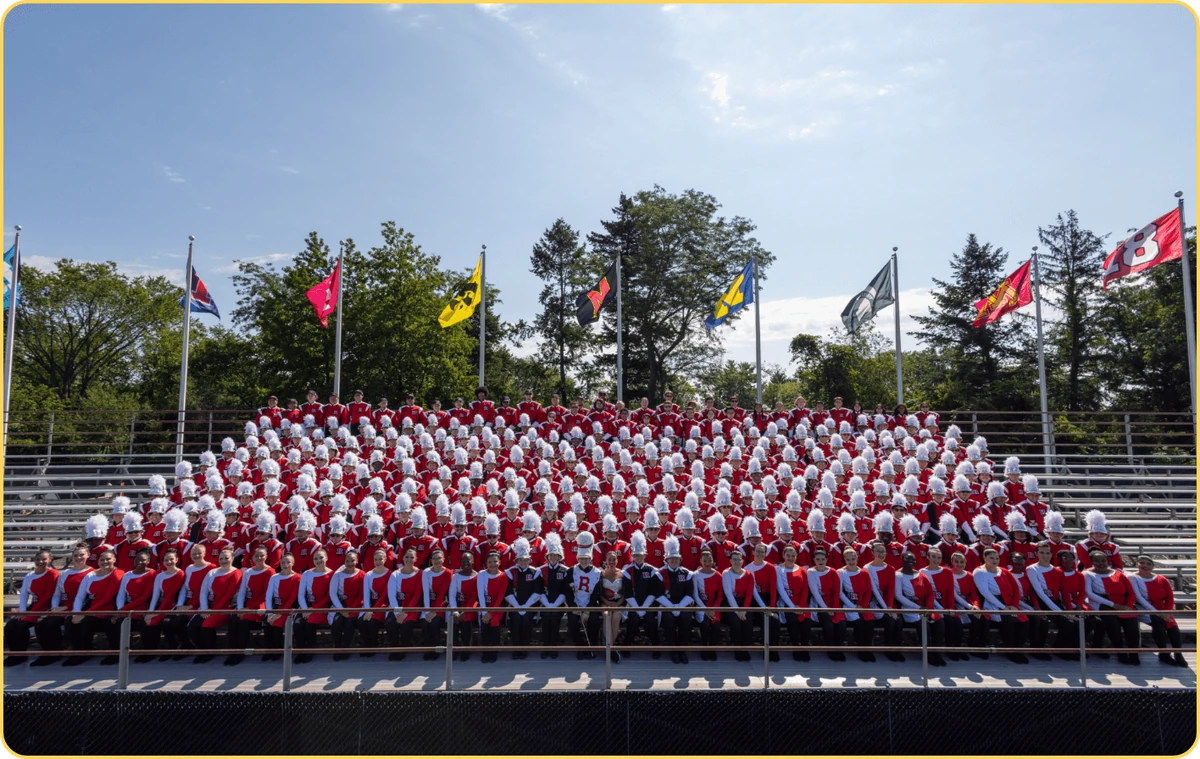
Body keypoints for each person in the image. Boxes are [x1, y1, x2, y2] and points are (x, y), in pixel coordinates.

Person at [1130, 555, 1188, 668]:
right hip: (1143, 606)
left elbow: (1170, 598)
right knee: (1158, 624)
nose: (1145, 566)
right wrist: (1158, 612)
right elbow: (1138, 597)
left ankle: (1178, 653)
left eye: (1148, 564)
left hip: (1162, 608)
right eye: (1142, 563)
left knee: (1173, 629)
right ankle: (1164, 653)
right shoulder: (1133, 577)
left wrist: (1167, 612)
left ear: (1152, 566)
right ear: (1137, 564)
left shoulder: (1161, 579)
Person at [972, 547, 1027, 664]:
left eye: (997, 558)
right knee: (1009, 621)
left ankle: (1018, 649)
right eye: (991, 558)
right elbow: (985, 593)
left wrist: (1014, 606)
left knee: (1025, 622)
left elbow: (1016, 589)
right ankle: (1009, 650)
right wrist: (1003, 608)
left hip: (1009, 604)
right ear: (984, 558)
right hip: (991, 604)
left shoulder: (1004, 571)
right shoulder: (979, 571)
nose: (995, 560)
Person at [5, 550, 60, 667]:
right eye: (38, 559)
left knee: (22, 625)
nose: (41, 562)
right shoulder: (30, 575)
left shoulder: (52, 573)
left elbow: (48, 595)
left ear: (50, 560)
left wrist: (30, 613)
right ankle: (15, 654)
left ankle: (29, 654)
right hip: (34, 606)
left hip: (46, 606)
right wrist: (23, 611)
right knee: (10, 625)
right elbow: (24, 594)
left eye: (44, 559)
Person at [70, 549, 125, 666]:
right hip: (94, 609)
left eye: (108, 559)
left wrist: (84, 614)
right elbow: (80, 596)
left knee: (109, 624)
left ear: (114, 560)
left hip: (111, 608)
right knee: (71, 622)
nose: (105, 561)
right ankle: (82, 652)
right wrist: (76, 613)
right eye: (102, 559)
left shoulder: (118, 573)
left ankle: (115, 653)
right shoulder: (91, 575)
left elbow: (108, 597)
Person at [1084, 550, 1140, 665]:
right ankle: (1121, 652)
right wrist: (1114, 605)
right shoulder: (1088, 574)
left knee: (1132, 627)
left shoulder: (1118, 574)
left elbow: (1131, 592)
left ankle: (1134, 653)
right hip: (1103, 603)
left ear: (1107, 561)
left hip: (1124, 604)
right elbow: (1089, 593)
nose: (1101, 563)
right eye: (1097, 561)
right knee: (1113, 626)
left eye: (1103, 560)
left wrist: (1127, 606)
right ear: (1092, 562)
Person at [193, 547, 243, 664]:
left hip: (227, 607)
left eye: (226, 558)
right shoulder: (212, 572)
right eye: (221, 558)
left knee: (208, 624)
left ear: (232, 559)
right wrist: (205, 609)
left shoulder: (236, 573)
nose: (224, 561)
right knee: (193, 625)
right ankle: (204, 651)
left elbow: (229, 595)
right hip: (211, 607)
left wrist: (213, 611)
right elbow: (204, 591)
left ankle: (223, 653)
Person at [114, 549, 157, 663]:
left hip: (143, 607)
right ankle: (120, 652)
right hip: (129, 608)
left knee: (143, 624)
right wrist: (120, 609)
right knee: (116, 622)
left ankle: (148, 652)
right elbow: (121, 594)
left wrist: (124, 609)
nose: (139, 562)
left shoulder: (151, 573)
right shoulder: (128, 574)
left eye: (142, 560)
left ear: (148, 561)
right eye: (137, 560)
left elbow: (145, 596)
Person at [657, 535, 695, 663]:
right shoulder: (660, 573)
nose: (673, 561)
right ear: (666, 560)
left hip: (683, 605)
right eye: (671, 559)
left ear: (680, 560)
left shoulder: (687, 573)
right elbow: (658, 594)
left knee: (686, 619)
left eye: (676, 559)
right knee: (669, 621)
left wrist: (679, 607)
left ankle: (682, 650)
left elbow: (690, 594)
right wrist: (672, 607)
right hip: (667, 606)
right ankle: (673, 650)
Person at [295, 547, 334, 664]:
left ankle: (310, 651)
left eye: (321, 557)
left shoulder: (332, 574)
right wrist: (306, 609)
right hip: (307, 606)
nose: (318, 560)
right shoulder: (307, 574)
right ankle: (300, 651)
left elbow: (329, 596)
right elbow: (301, 594)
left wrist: (314, 609)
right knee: (297, 624)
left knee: (309, 624)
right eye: (315, 558)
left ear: (326, 558)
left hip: (322, 608)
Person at [807, 546, 846, 661]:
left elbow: (836, 591)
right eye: (818, 559)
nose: (820, 562)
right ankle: (831, 649)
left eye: (822, 559)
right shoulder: (811, 572)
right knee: (828, 625)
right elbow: (815, 593)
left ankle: (839, 650)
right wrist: (826, 609)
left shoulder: (833, 572)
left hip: (834, 604)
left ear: (826, 559)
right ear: (814, 560)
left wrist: (833, 608)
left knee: (841, 625)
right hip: (820, 604)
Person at [386, 548, 424, 661]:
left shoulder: (420, 574)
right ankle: (394, 647)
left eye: (412, 557)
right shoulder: (395, 574)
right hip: (397, 606)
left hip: (412, 607)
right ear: (402, 558)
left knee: (407, 626)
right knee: (390, 623)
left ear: (416, 559)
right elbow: (391, 594)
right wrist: (398, 612)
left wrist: (405, 612)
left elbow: (417, 595)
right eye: (407, 557)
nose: (409, 559)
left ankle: (403, 647)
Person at [722, 549, 759, 661]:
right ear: (730, 561)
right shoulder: (726, 573)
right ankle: (737, 649)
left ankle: (745, 649)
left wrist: (744, 609)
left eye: (739, 559)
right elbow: (728, 593)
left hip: (744, 603)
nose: (737, 562)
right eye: (734, 560)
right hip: (731, 603)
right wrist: (737, 611)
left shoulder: (748, 574)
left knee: (748, 623)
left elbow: (749, 594)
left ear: (742, 561)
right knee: (736, 623)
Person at [539, 533, 572, 659]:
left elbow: (565, 590)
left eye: (555, 555)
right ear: (547, 557)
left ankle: (554, 646)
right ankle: (545, 646)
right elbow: (539, 589)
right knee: (546, 619)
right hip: (544, 602)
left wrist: (554, 604)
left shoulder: (565, 570)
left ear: (559, 556)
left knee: (555, 619)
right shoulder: (541, 570)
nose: (553, 558)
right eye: (550, 555)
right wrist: (547, 604)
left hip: (559, 602)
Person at [263, 553, 301, 661]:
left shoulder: (297, 577)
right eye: (283, 562)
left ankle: (278, 651)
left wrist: (279, 613)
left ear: (293, 563)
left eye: (288, 562)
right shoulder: (274, 577)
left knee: (277, 624)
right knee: (267, 623)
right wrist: (270, 613)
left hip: (289, 609)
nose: (285, 565)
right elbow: (269, 596)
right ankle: (269, 650)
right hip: (276, 608)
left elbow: (292, 598)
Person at [475, 550, 509, 663]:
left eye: (495, 561)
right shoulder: (481, 574)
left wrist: (490, 612)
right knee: (484, 626)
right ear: (486, 563)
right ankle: (485, 652)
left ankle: (494, 651)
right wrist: (485, 612)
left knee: (494, 624)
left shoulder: (504, 576)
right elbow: (480, 593)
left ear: (499, 562)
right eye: (490, 562)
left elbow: (500, 597)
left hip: (497, 607)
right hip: (484, 606)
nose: (492, 564)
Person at [330, 548, 364, 661]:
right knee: (337, 623)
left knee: (350, 623)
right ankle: (337, 647)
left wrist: (351, 608)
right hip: (340, 606)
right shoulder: (338, 575)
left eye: (352, 560)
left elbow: (361, 594)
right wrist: (341, 609)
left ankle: (346, 648)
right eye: (347, 561)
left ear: (357, 561)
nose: (350, 563)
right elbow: (333, 593)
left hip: (355, 606)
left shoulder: (361, 574)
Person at [420, 548, 452, 661]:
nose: (436, 561)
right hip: (428, 604)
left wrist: (434, 612)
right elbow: (426, 593)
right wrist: (428, 611)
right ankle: (428, 649)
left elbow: (444, 595)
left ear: (443, 559)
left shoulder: (448, 573)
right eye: (434, 558)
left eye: (439, 558)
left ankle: (436, 650)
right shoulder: (426, 572)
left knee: (434, 623)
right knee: (424, 622)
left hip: (442, 605)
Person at [448, 551, 479, 661]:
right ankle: (454, 649)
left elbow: (474, 597)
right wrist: (456, 612)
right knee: (453, 621)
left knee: (466, 623)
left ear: (473, 561)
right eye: (463, 561)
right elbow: (452, 595)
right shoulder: (456, 576)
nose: (466, 563)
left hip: (470, 606)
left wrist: (464, 613)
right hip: (458, 605)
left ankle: (466, 650)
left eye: (468, 560)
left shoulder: (477, 576)